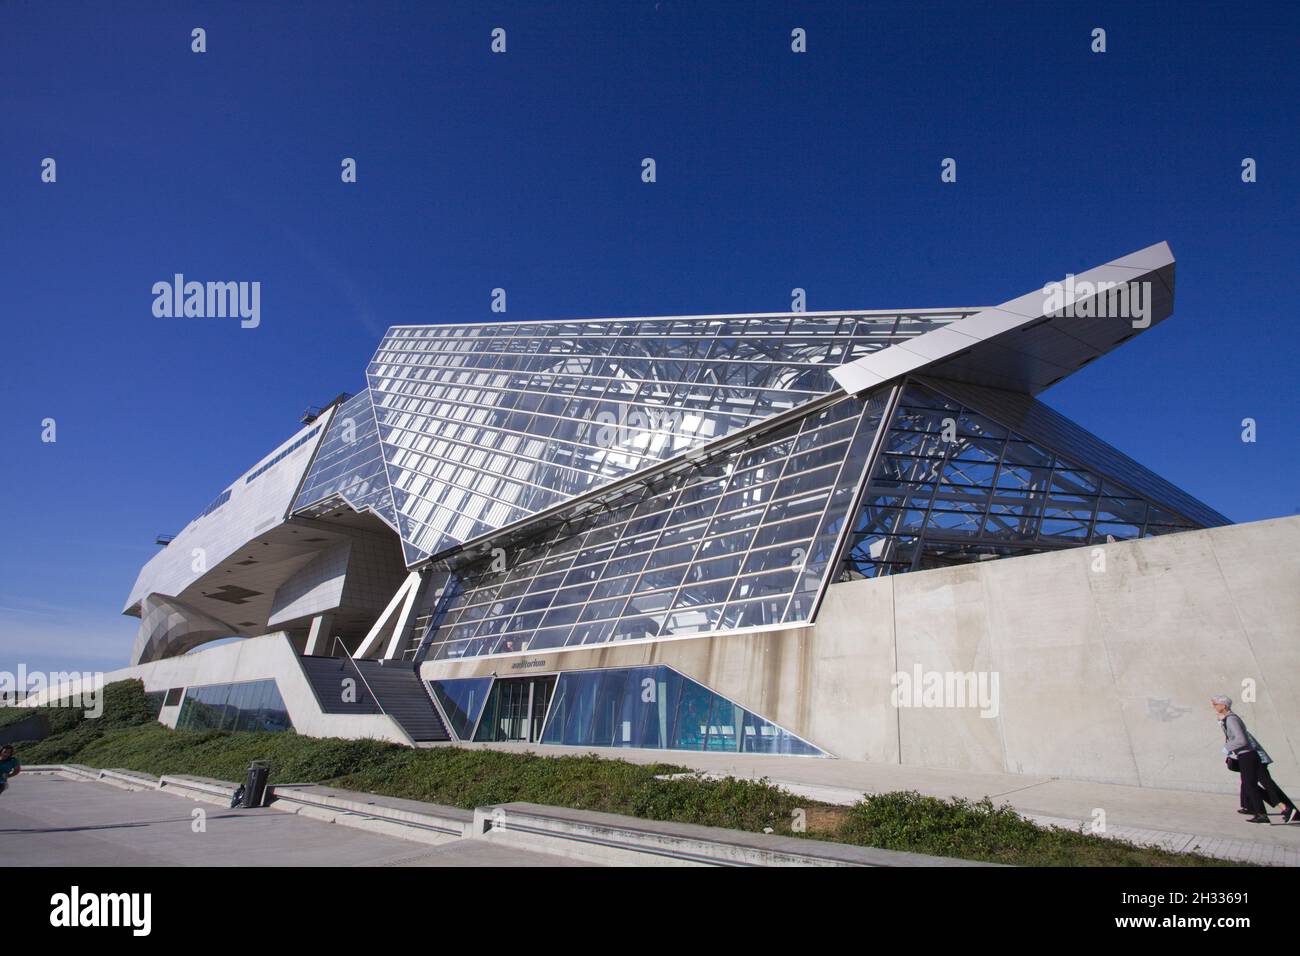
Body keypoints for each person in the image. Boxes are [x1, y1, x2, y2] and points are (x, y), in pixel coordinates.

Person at [1212, 695, 1298, 824]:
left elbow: (1241, 740)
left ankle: (1265, 814)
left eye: (1215, 704)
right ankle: (1282, 809)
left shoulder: (1231, 719)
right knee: (1254, 785)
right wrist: (1221, 723)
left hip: (1247, 756)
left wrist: (1227, 748)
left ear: (1223, 706)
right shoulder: (1228, 719)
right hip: (1248, 755)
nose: (1213, 706)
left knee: (1251, 785)